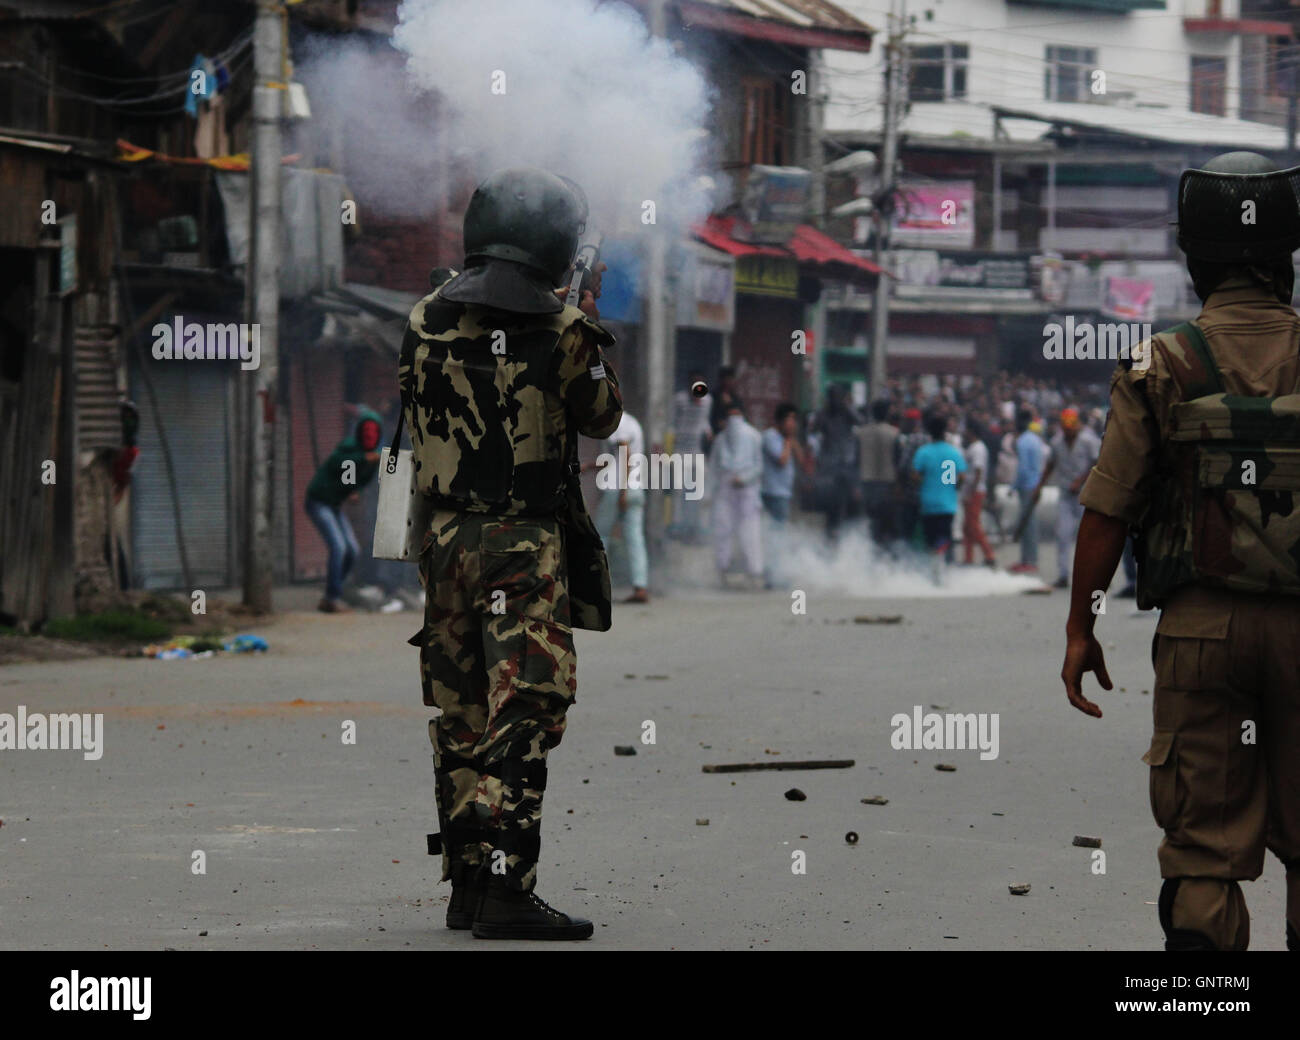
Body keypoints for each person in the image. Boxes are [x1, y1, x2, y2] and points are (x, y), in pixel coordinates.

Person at [1061, 151, 1300, 951]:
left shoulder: (1158, 364)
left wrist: (1080, 629)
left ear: (1196, 261)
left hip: (1201, 635)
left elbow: (1107, 511)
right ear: (1286, 257)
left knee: (1203, 852)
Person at [399, 167, 622, 940]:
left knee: (459, 709)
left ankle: (467, 883)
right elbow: (601, 418)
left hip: (445, 538)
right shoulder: (563, 333)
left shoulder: (425, 315)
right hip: (521, 544)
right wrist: (583, 320)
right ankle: (508, 887)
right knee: (524, 708)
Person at [304, 405, 383, 613]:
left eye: (373, 432)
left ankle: (336, 590)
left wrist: (352, 490)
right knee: (339, 547)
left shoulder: (371, 456)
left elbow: (351, 480)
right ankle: (332, 597)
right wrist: (361, 462)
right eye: (366, 431)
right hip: (319, 502)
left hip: (333, 505)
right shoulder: (351, 447)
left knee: (352, 550)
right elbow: (343, 464)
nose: (369, 435)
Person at [1035, 407, 1100, 589]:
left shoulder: (1089, 440)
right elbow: (1050, 465)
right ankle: (1063, 575)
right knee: (1063, 534)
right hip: (1065, 494)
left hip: (1087, 495)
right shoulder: (1056, 442)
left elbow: (1097, 463)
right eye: (1065, 426)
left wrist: (1079, 481)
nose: (1068, 429)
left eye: (1071, 426)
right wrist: (1039, 487)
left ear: (1078, 424)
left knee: (1089, 536)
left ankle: (1096, 575)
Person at [592, 409, 649, 604]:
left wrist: (622, 492)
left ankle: (599, 587)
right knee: (635, 539)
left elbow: (625, 455)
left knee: (601, 536)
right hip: (636, 487)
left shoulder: (618, 423)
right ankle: (640, 586)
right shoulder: (632, 421)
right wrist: (589, 466)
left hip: (618, 488)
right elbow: (616, 459)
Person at [710, 398, 764, 588]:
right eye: (730, 416)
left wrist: (745, 479)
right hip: (725, 490)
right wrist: (711, 492)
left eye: (737, 415)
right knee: (722, 530)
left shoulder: (754, 436)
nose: (734, 420)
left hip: (747, 491)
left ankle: (755, 573)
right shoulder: (720, 439)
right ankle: (722, 571)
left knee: (750, 531)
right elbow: (713, 469)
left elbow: (759, 466)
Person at [911, 411, 967, 584]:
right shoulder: (952, 453)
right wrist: (952, 486)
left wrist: (925, 481)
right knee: (945, 538)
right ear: (945, 431)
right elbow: (959, 477)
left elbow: (914, 474)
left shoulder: (924, 452)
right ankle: (945, 573)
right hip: (947, 503)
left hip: (928, 501)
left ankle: (933, 574)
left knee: (930, 539)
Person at [760, 402, 805, 587]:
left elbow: (802, 461)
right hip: (773, 492)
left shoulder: (786, 438)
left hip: (784, 493)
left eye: (795, 420)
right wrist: (788, 442)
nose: (793, 424)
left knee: (779, 535)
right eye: (790, 419)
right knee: (775, 536)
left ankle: (776, 575)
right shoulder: (770, 436)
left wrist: (792, 442)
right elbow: (782, 460)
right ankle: (773, 577)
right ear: (780, 420)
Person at [669, 370, 711, 542]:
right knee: (679, 490)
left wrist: (708, 431)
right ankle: (678, 525)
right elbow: (671, 422)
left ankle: (697, 525)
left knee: (699, 490)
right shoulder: (679, 399)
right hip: (680, 450)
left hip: (697, 451)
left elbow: (704, 420)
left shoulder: (708, 401)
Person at [856, 399, 898, 546]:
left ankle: (870, 553)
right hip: (887, 484)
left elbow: (856, 459)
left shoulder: (861, 433)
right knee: (886, 524)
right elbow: (898, 460)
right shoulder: (894, 433)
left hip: (866, 483)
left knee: (869, 522)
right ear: (886, 414)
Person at [1009, 407, 1045, 574]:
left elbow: (1023, 469)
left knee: (1027, 525)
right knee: (1028, 523)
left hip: (1026, 486)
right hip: (1035, 483)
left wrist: (1013, 486)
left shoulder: (1023, 441)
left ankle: (1030, 560)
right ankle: (1026, 559)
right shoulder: (1035, 439)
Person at [960, 419, 995, 567]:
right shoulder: (974, 447)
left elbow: (978, 471)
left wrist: (971, 490)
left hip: (975, 491)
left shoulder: (977, 448)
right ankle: (968, 557)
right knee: (967, 526)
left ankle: (989, 555)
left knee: (973, 525)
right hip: (972, 490)